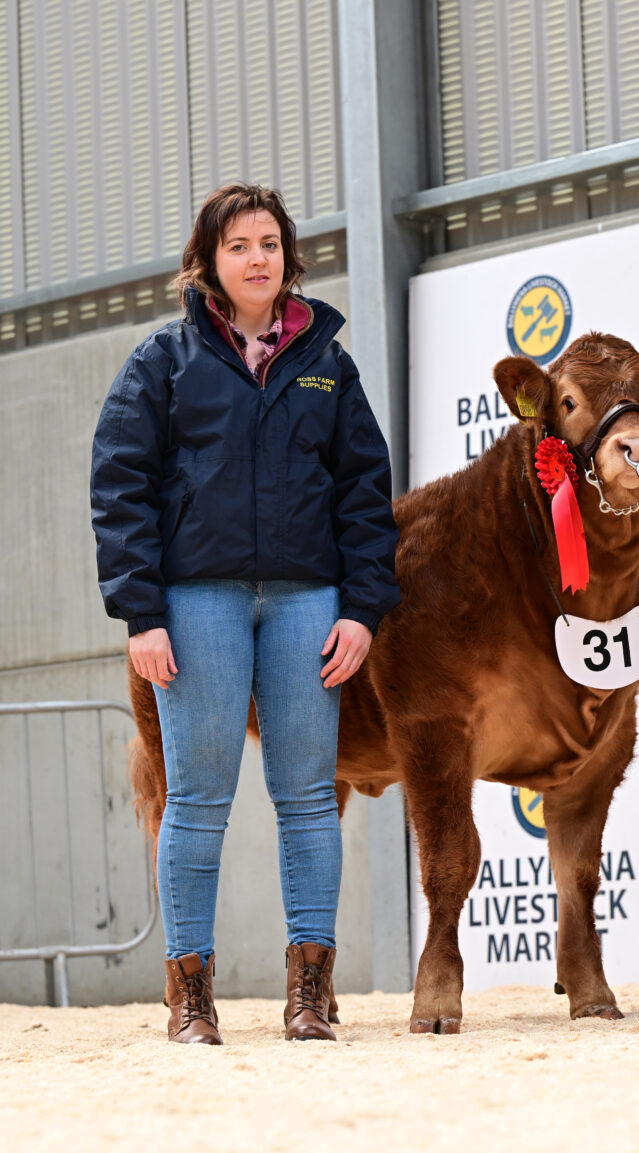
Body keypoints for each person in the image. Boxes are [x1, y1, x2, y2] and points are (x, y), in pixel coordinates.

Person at [90, 183, 401, 1044]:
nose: (257, 257)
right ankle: (190, 993)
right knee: (196, 797)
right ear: (210, 261)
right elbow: (120, 484)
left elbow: (364, 494)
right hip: (198, 603)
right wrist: (141, 613)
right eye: (239, 245)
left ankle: (310, 992)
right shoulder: (165, 360)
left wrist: (364, 609)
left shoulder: (327, 363)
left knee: (308, 796)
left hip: (308, 601)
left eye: (270, 242)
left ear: (288, 256)